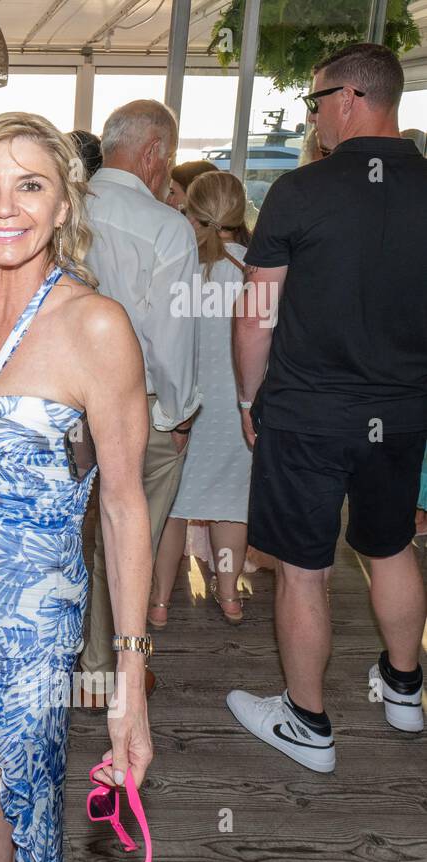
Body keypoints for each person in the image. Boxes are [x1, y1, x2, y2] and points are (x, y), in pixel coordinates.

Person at [0, 113, 153, 862]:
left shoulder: (97, 327)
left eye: (30, 185)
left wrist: (129, 679)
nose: (5, 206)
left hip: (27, 638)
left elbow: (122, 507)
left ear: (61, 206)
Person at [229, 43, 427, 769]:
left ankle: (308, 725)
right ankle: (405, 691)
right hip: (404, 411)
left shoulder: (302, 191)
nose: (312, 117)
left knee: (305, 567)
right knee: (390, 544)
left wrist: (250, 396)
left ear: (348, 99)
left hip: (309, 411)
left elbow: (256, 315)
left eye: (315, 102)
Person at [78, 99, 202, 705]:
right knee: (130, 537)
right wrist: (177, 415)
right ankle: (105, 668)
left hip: (59, 407)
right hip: (139, 408)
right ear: (154, 153)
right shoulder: (167, 227)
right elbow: (173, 338)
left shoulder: (60, 207)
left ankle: (60, 655)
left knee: (66, 534)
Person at [150, 172, 253, 628]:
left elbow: (165, 343)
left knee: (173, 507)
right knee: (232, 505)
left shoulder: (182, 269)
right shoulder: (257, 271)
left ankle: (158, 602)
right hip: (239, 409)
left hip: (185, 405)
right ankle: (229, 595)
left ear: (192, 212)